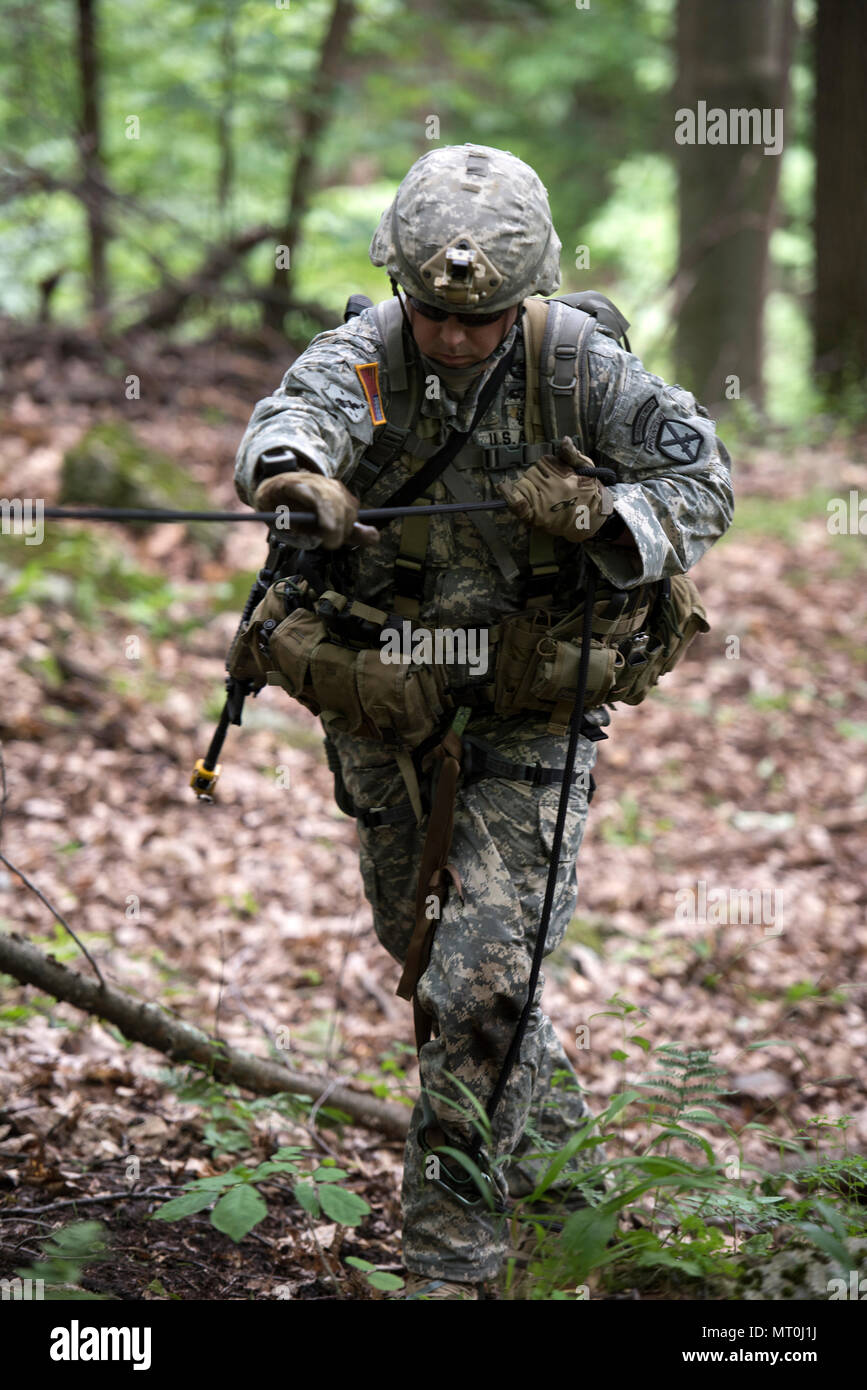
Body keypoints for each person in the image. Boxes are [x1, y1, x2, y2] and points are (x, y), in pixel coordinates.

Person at [232, 143, 734, 1299]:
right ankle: (582, 1220)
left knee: (479, 988)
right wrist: (299, 479)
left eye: (485, 318)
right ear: (402, 287)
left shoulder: (581, 370)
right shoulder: (365, 356)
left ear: (530, 292)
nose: (457, 337)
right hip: (385, 698)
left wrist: (609, 518)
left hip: (533, 708)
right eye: (435, 315)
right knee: (431, 966)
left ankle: (451, 1268)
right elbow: (294, 418)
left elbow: (703, 479)